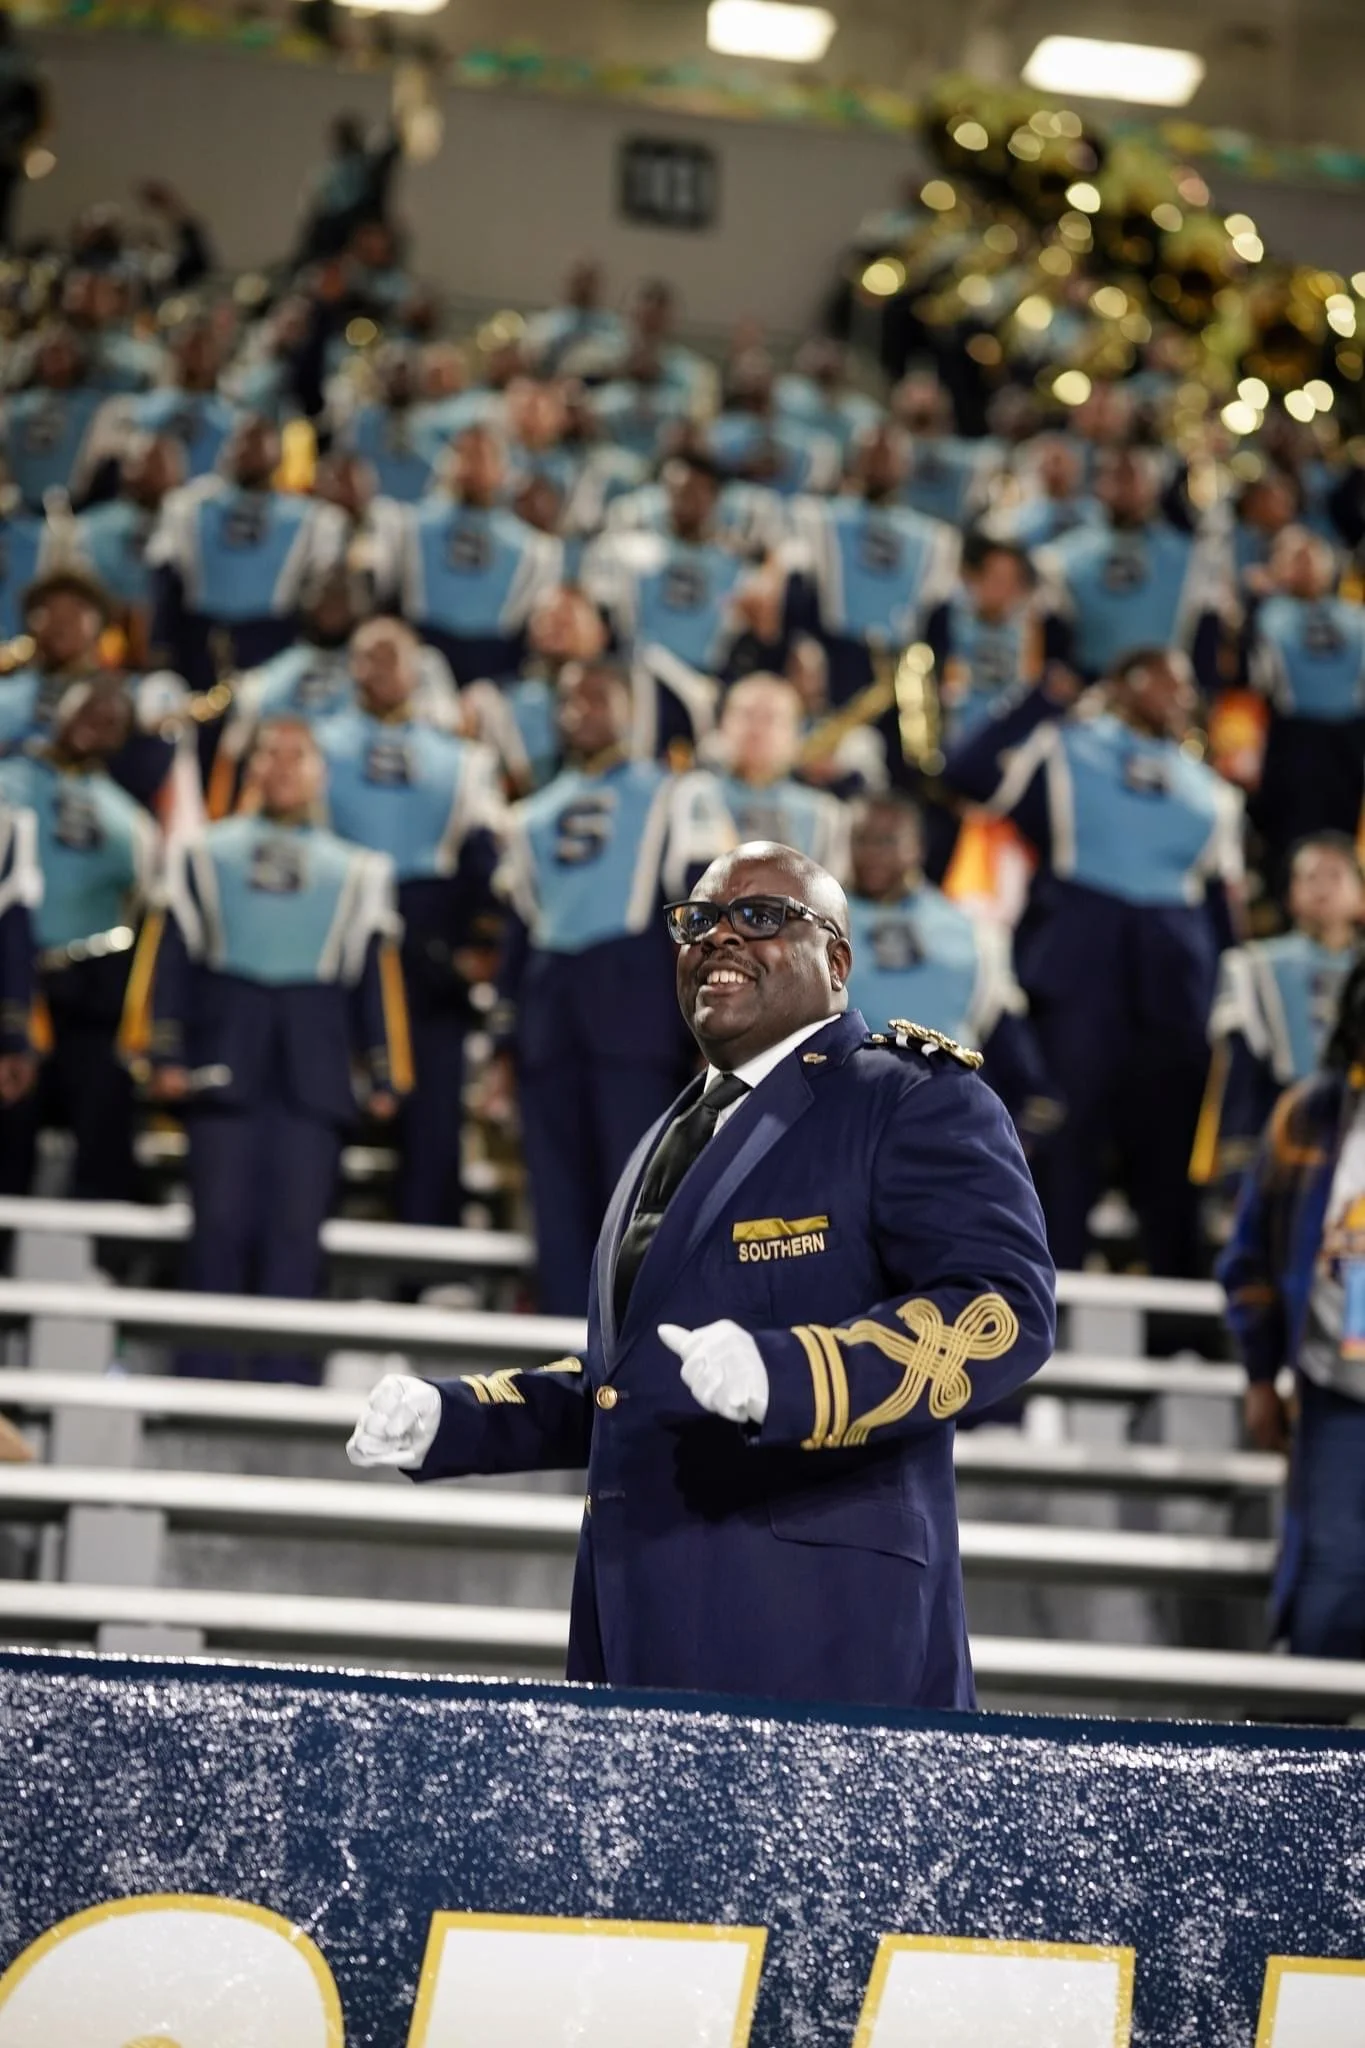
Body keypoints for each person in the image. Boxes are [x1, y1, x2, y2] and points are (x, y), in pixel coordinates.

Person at [348, 839, 1056, 1712]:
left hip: (824, 1636)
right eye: (698, 920)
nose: (719, 936)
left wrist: (790, 1374)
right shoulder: (676, 1129)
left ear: (836, 961)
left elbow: (1001, 1310)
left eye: (759, 916)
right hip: (636, 1631)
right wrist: (458, 1418)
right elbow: (637, 1385)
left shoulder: (906, 1096)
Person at [942, 648, 1243, 1276]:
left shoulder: (1211, 791)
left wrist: (1222, 1002)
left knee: (1170, 1153)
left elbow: (1221, 912)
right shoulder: (1065, 747)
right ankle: (1045, 1302)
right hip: (1079, 973)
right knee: (1065, 1142)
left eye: (1186, 684)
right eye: (1165, 681)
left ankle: (1175, 1316)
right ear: (1127, 683)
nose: (1182, 695)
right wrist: (1040, 698)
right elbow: (967, 774)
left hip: (1175, 988)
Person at [126, 718, 408, 1382]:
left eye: (296, 755)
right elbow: (171, 959)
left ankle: (287, 1386)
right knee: (218, 1226)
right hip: (223, 1064)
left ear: (320, 772)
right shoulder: (202, 853)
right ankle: (201, 1381)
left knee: (296, 1233)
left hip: (314, 1072)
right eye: (268, 754)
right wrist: (163, 1053)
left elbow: (375, 975)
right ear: (249, 766)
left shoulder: (360, 869)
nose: (281, 766)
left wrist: (385, 1070)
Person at [490, 657, 733, 1314]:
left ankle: (636, 1351)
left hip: (638, 1019)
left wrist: (712, 1029)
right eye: (569, 699)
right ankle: (565, 1348)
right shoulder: (528, 815)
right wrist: (503, 1045)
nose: (581, 712)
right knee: (556, 1202)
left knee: (638, 1198)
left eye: (598, 698)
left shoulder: (678, 793)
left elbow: (705, 919)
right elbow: (517, 938)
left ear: (631, 710)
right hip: (549, 1024)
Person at [316, 617, 502, 1227]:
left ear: (417, 667)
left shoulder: (464, 759)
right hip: (334, 938)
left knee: (433, 1119)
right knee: (325, 1096)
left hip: (428, 949)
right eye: (366, 656)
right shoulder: (315, 744)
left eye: (391, 656)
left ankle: (430, 1259)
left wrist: (475, 946)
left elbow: (486, 865)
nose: (379, 669)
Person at [1219, 956, 1365, 1660]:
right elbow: (1249, 1256)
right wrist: (1259, 1375)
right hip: (1335, 1390)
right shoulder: (1307, 1116)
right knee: (1326, 1592)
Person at [0, 678, 157, 1199]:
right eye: (88, 709)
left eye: (112, 721)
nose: (97, 724)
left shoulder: (131, 821)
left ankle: (107, 1239)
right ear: (59, 710)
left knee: (103, 1119)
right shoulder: (7, 780)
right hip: (7, 981)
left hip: (85, 990)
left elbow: (142, 909)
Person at [844, 792, 1059, 1148]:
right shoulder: (817, 927)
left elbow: (1001, 1025)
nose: (872, 853)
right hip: (850, 1106)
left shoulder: (971, 931)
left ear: (917, 848)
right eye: (861, 839)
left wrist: (1032, 1094)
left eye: (887, 841)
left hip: (946, 1106)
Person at [1197, 832, 1363, 1185]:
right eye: (1309, 877)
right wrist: (1237, 1160)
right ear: (1290, 894)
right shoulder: (1253, 967)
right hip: (1285, 1129)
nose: (1322, 888)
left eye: (1335, 876)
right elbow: (1239, 1073)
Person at [147, 413, 348, 696]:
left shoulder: (314, 519)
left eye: (258, 445)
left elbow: (324, 593)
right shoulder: (187, 506)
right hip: (197, 633)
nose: (247, 452)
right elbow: (165, 578)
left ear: (280, 454)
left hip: (273, 636)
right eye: (240, 443)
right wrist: (160, 641)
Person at [583, 450, 756, 755]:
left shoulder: (735, 565)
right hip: (639, 679)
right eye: (674, 491)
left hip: (704, 680)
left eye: (693, 491)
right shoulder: (630, 551)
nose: (682, 500)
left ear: (714, 497)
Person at [785, 424, 960, 711]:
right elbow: (796, 598)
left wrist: (938, 676)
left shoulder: (935, 539)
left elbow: (940, 621)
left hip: (902, 665)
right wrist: (804, 646)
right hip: (835, 654)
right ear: (854, 460)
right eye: (872, 455)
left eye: (889, 457)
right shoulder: (817, 518)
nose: (880, 465)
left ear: (907, 465)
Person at [1036, 447, 1234, 690]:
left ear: (1154, 485)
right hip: (1090, 691)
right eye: (1112, 476)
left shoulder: (1193, 556)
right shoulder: (1062, 556)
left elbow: (1208, 639)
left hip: (1167, 693)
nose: (1122, 488)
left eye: (1131, 476)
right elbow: (1052, 645)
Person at [396, 425, 563, 684]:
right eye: (464, 454)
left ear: (504, 469)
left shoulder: (536, 550)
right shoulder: (409, 526)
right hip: (420, 654)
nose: (472, 467)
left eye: (483, 457)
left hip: (496, 665)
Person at [1246, 526, 1365, 877]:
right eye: (1296, 558)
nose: (1308, 567)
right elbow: (1250, 684)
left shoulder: (1355, 616)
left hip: (1350, 738)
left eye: (1314, 558)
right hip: (1292, 736)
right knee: (1290, 831)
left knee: (1342, 827)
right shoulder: (1266, 614)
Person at [711, 674, 850, 880]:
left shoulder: (824, 816)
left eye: (770, 719)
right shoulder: (688, 795)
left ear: (796, 735)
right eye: (746, 715)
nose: (756, 729)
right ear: (722, 725)